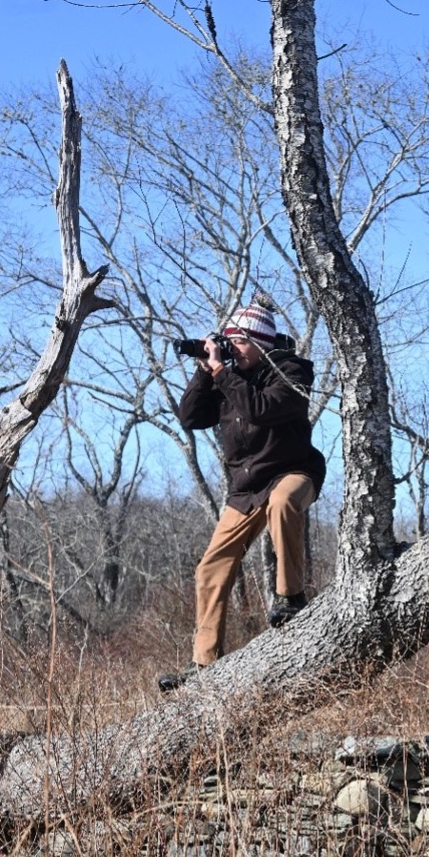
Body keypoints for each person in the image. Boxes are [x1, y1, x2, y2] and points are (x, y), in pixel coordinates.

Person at [158, 292, 326, 692]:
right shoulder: (228, 377)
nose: (231, 348)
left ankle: (290, 598)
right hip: (246, 487)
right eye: (227, 341)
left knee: (284, 503)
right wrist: (205, 369)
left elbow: (261, 410)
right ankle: (203, 666)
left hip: (293, 472)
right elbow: (190, 417)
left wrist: (222, 374)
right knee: (211, 567)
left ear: (260, 343)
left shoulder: (291, 373)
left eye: (238, 342)